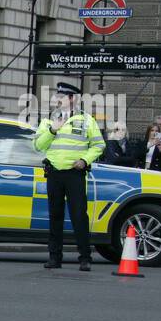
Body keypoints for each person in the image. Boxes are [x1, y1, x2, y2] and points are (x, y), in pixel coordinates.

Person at [33, 81, 104, 270]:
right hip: (55, 173)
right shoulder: (48, 120)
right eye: (57, 96)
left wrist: (84, 160)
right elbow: (38, 146)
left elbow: (99, 145)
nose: (57, 99)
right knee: (55, 216)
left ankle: (85, 258)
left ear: (72, 99)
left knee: (79, 216)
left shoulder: (86, 120)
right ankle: (55, 257)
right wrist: (52, 130)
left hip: (75, 174)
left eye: (61, 96)